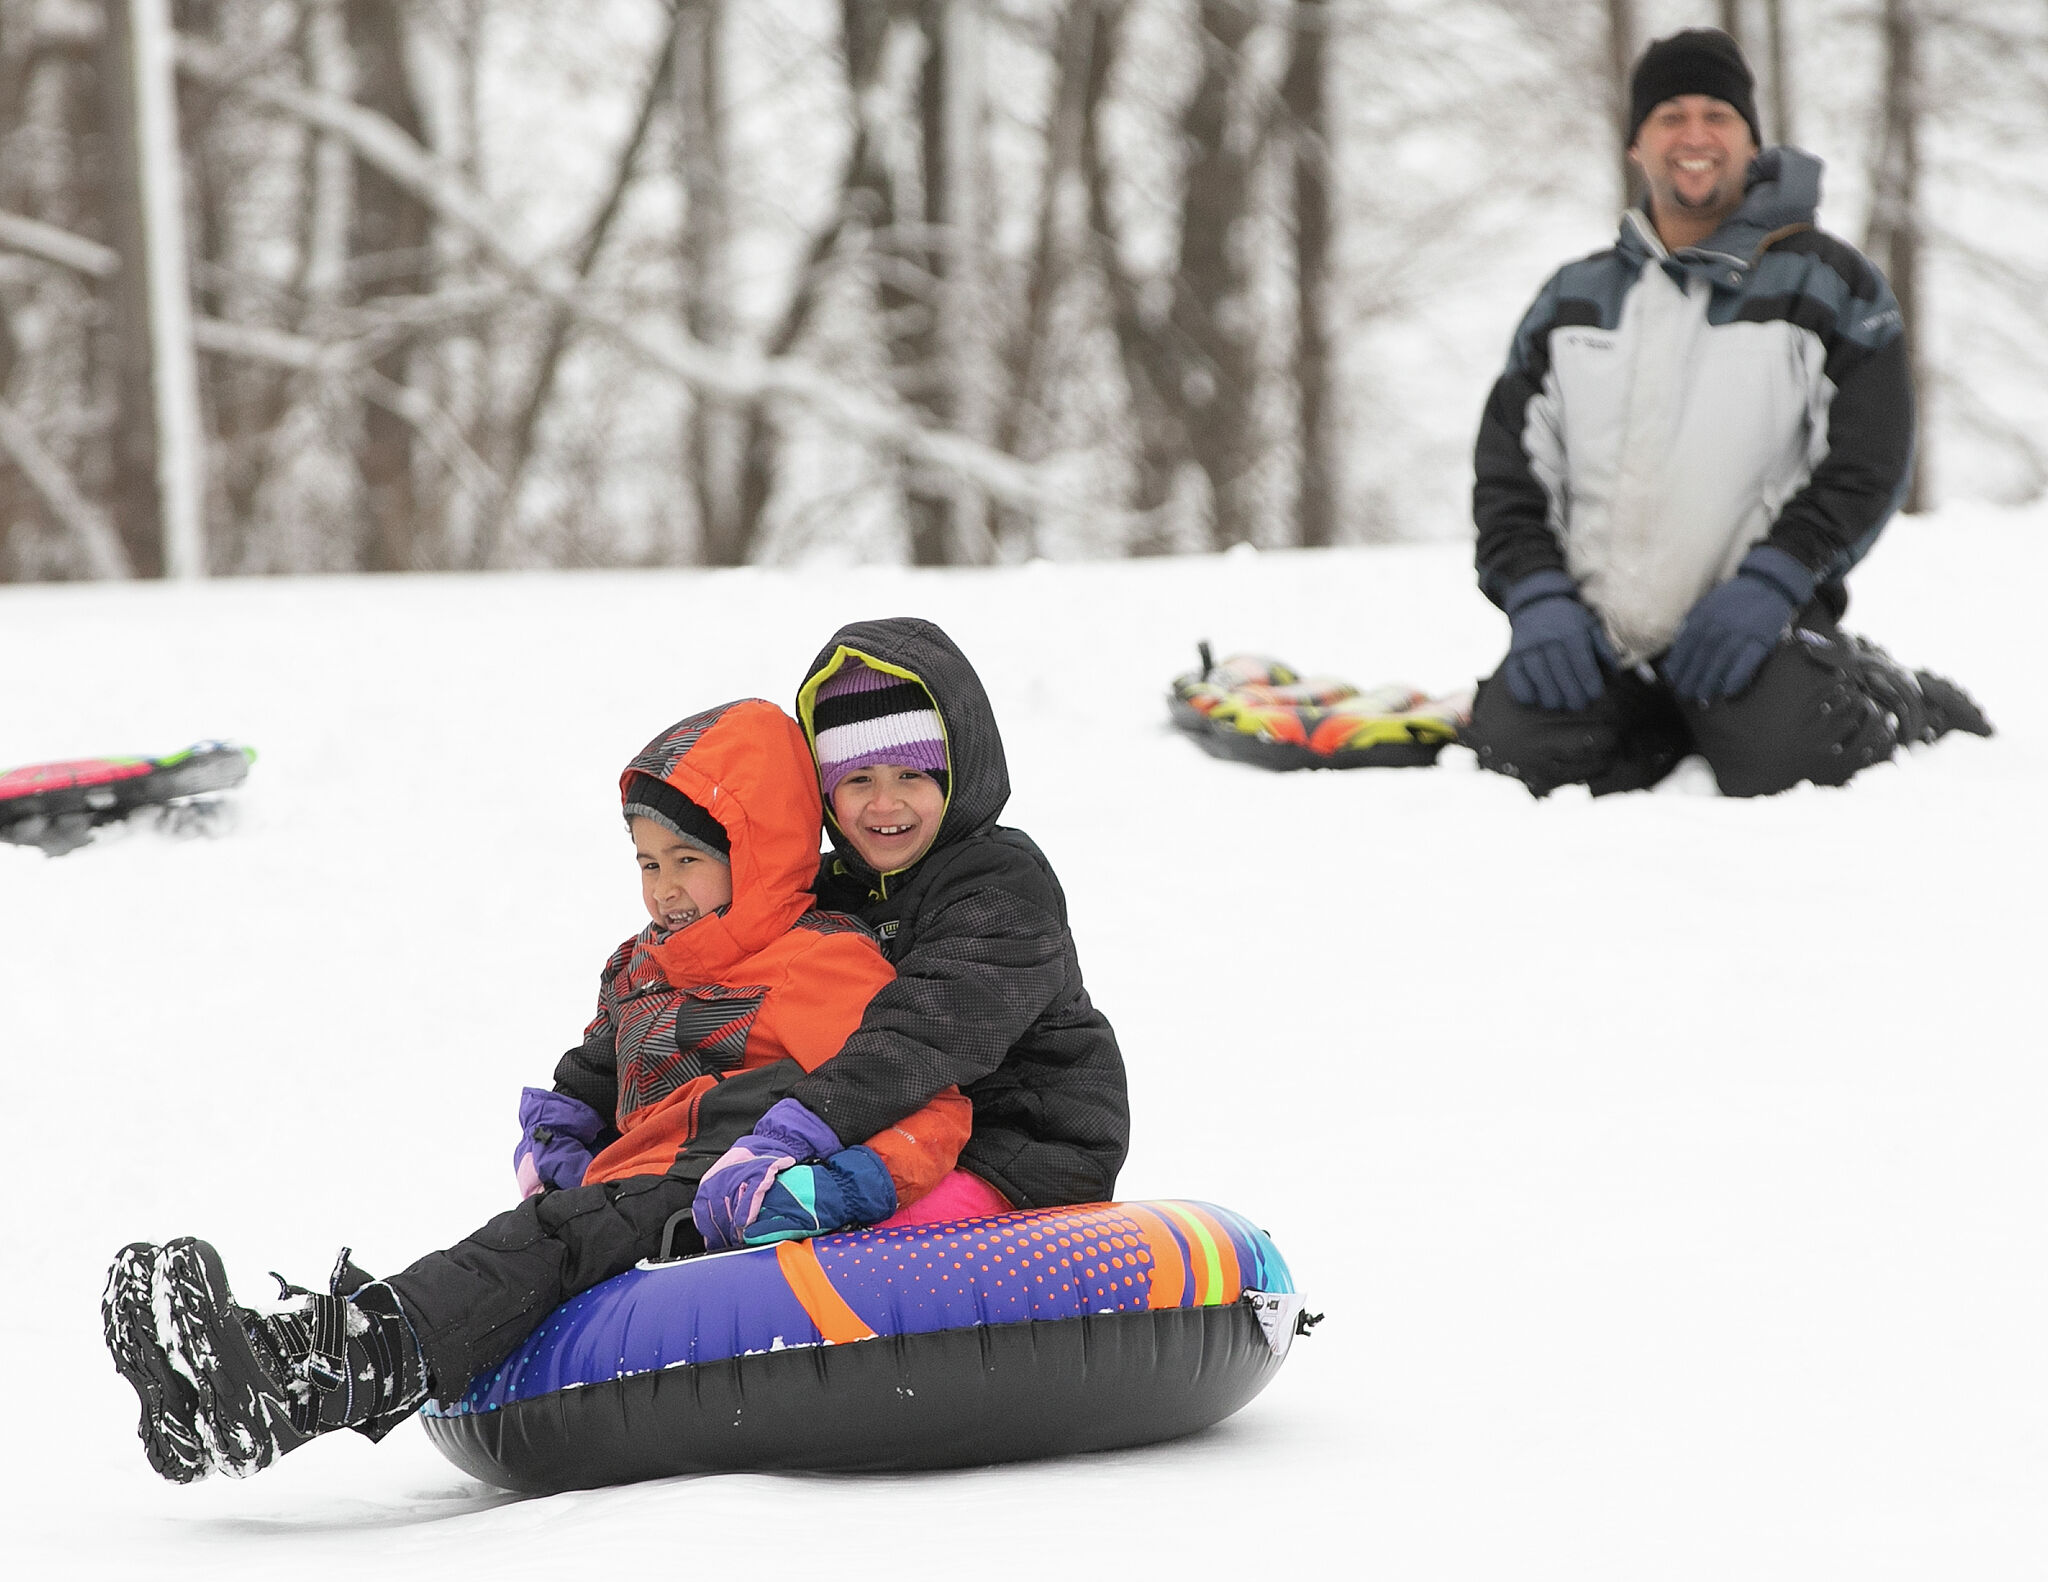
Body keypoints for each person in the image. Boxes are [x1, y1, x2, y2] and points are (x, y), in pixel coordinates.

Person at [102, 698, 968, 1483]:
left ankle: (299, 1376)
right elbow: (593, 1070)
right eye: (647, 863)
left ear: (762, 854)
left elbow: (924, 1098)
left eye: (689, 861)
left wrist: (831, 1188)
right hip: (629, 1185)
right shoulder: (644, 965)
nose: (664, 888)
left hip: (711, 1195)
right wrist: (556, 1136)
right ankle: (228, 1389)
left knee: (534, 1246)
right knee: (521, 1242)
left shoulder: (822, 962)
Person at [1463, 27, 1990, 798]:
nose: (1695, 135)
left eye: (1718, 114)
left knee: (1786, 760)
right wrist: (1536, 595)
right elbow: (1509, 471)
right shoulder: (1572, 299)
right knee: (1517, 754)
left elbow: (1868, 461)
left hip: (1757, 623)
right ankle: (1671, 720)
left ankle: (1892, 694)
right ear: (1636, 145)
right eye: (1670, 115)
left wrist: (1775, 582)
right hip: (1601, 632)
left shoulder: (1830, 284)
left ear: (1751, 140)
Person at [692, 616, 1130, 1251]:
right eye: (857, 780)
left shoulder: (1001, 883)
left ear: (955, 777)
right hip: (878, 1138)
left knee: (851, 1251)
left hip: (1015, 1151)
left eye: (911, 776)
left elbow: (929, 1028)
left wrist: (796, 1130)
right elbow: (711, 982)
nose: (883, 805)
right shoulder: (823, 889)